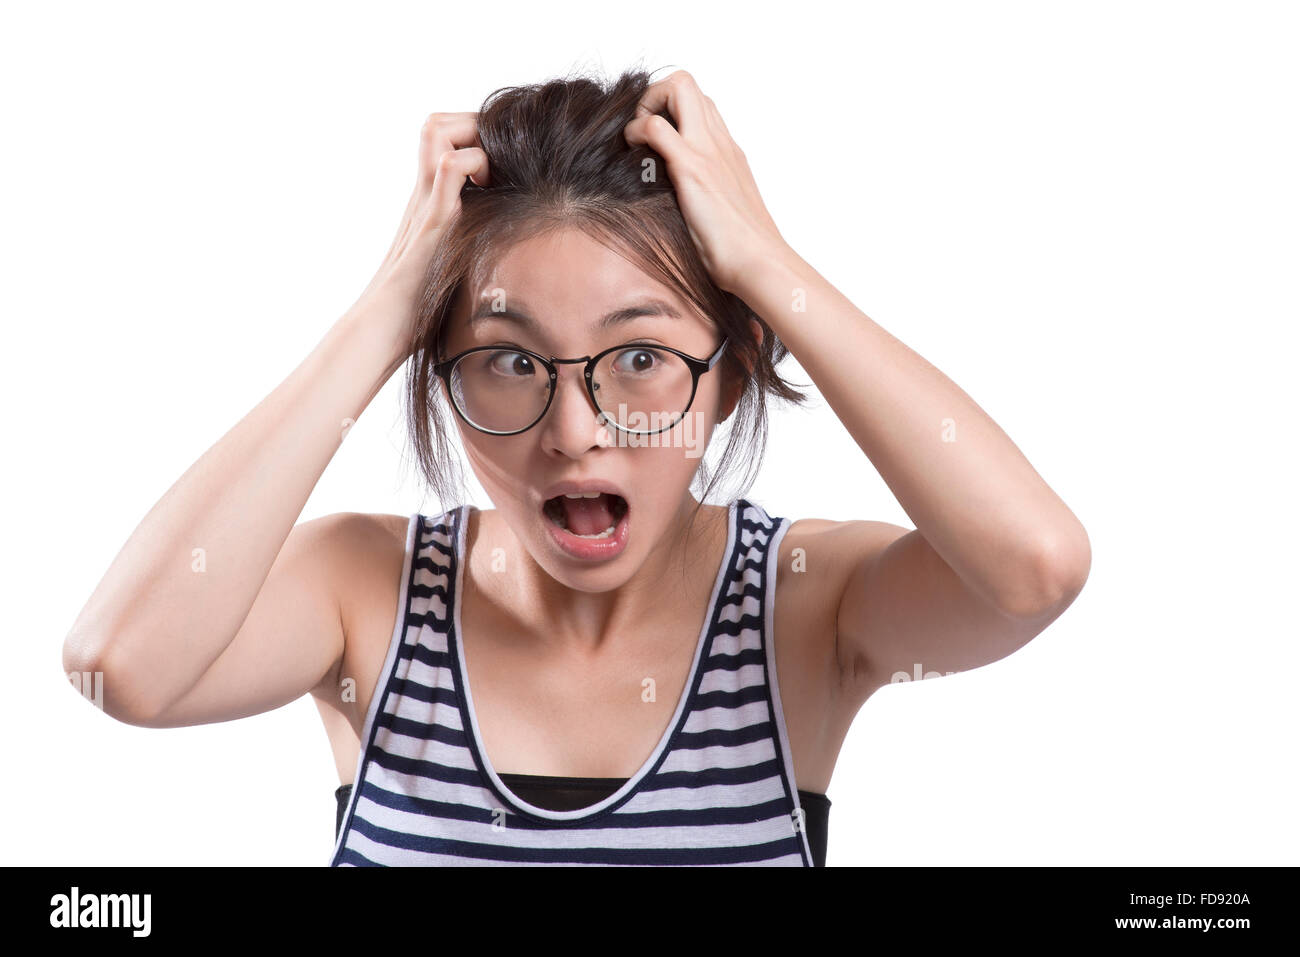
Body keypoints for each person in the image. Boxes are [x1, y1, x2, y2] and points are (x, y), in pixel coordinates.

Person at [61, 65, 1091, 867]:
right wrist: (387, 311)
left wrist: (768, 266)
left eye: (639, 357)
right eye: (509, 360)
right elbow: (122, 667)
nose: (574, 430)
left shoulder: (800, 606)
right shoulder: (364, 597)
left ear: (730, 374)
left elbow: (1034, 565)